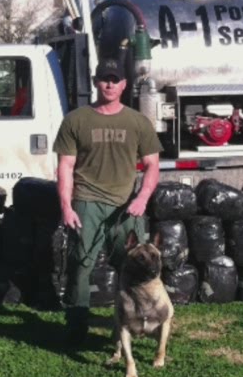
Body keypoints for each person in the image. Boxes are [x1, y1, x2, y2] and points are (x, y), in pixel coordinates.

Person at [53, 57, 162, 346]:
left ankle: (132, 325)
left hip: (126, 206)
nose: (110, 84)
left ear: (124, 84)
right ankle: (76, 331)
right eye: (105, 79)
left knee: (134, 267)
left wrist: (141, 199)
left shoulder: (138, 122)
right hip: (87, 202)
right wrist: (66, 206)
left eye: (115, 79)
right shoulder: (76, 120)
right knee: (80, 265)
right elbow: (65, 166)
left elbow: (152, 165)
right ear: (95, 82)